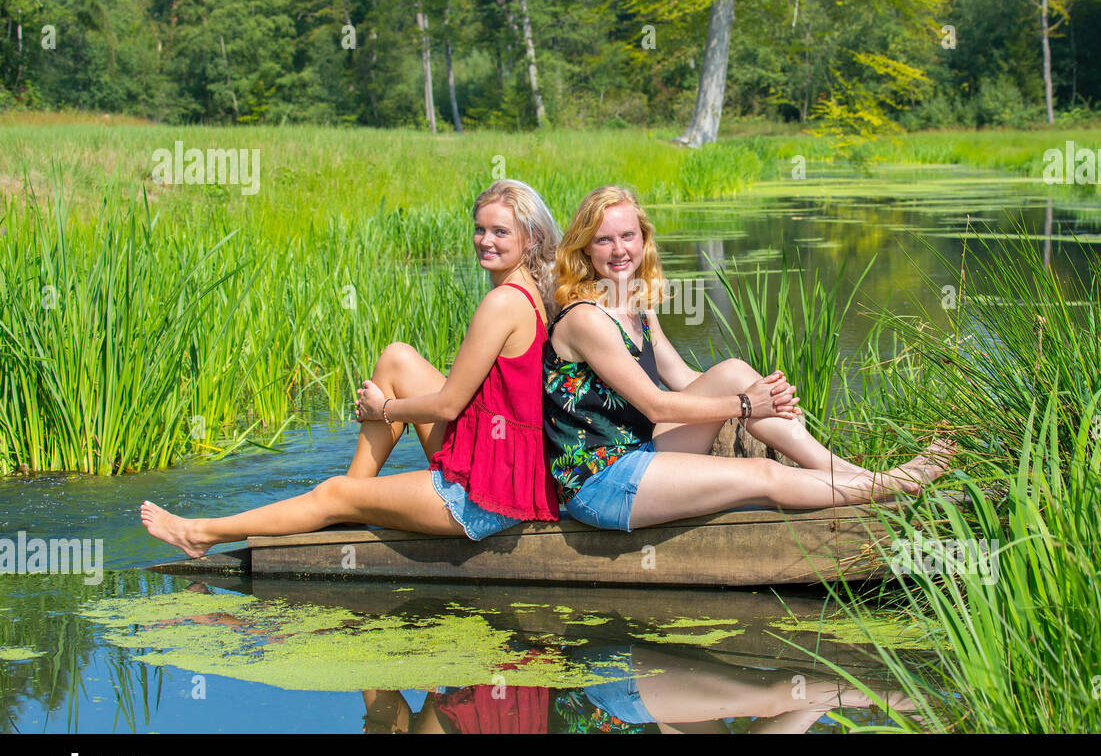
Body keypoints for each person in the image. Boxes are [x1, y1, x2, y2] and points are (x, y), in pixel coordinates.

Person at [142, 179, 561, 558]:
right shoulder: (529, 289)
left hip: (488, 497)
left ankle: (202, 533)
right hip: (504, 461)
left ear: (531, 238)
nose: (485, 241)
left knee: (332, 491)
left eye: (500, 232)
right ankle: (347, 510)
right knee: (397, 357)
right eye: (480, 229)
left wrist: (384, 409)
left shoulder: (502, 302)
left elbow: (450, 406)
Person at [542, 185, 956, 532]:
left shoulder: (634, 303)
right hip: (602, 482)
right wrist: (745, 405)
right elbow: (655, 403)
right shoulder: (585, 319)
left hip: (641, 451)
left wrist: (762, 396)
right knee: (763, 476)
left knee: (734, 371)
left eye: (628, 236)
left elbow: (683, 378)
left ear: (644, 239)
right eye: (604, 240)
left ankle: (855, 475)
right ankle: (893, 484)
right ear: (585, 248)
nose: (619, 250)